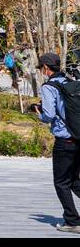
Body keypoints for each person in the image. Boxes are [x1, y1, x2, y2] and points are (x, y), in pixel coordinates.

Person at [34, 52, 80, 233]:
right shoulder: (70, 81)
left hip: (64, 141)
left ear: (46, 68)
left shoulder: (49, 86)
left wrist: (40, 114)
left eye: (41, 68)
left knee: (61, 182)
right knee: (74, 180)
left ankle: (72, 221)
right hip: (78, 137)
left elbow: (49, 115)